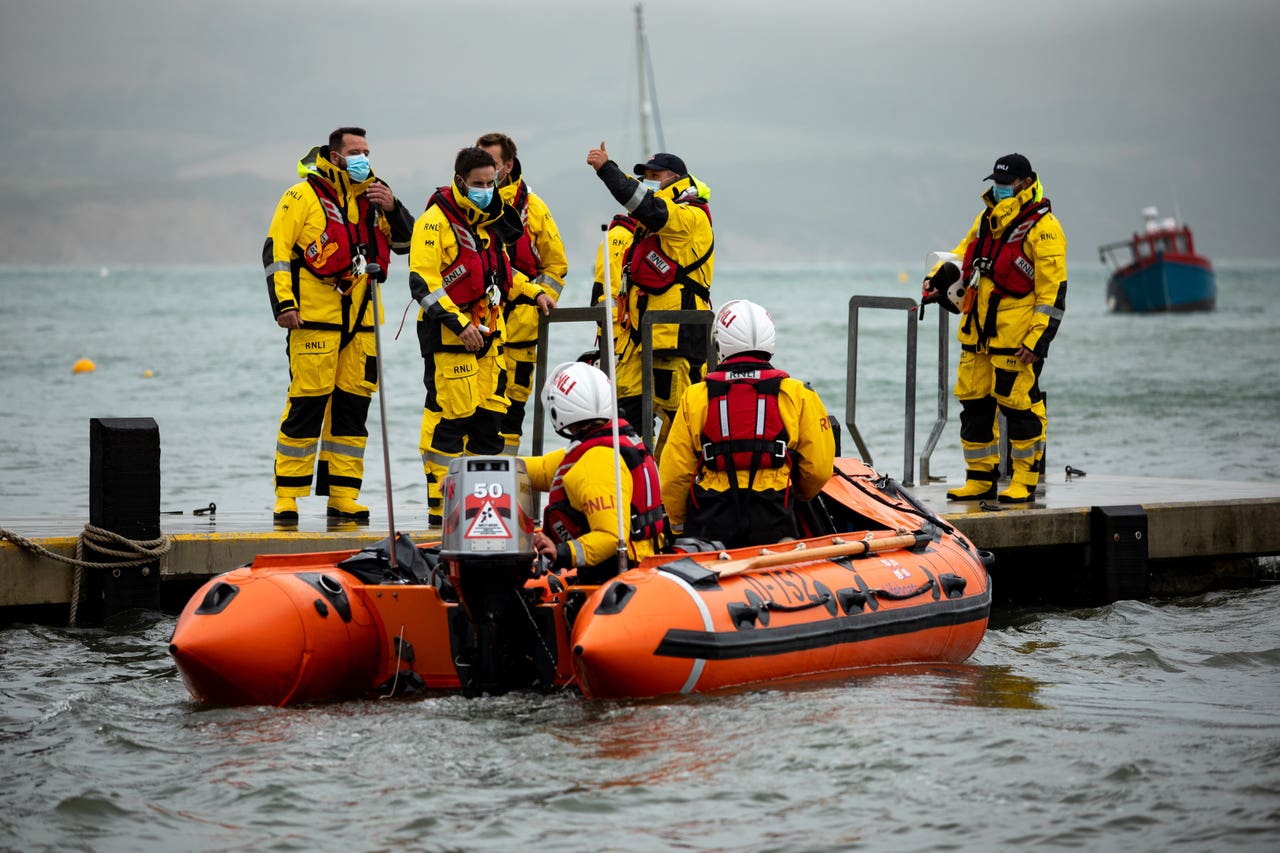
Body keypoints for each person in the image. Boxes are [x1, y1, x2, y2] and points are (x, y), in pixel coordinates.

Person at [264, 126, 415, 522]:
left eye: (367, 151)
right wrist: (283, 303)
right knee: (306, 405)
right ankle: (288, 496)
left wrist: (395, 207)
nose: (364, 158)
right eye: (356, 151)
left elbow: (405, 245)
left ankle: (343, 496)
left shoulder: (375, 196)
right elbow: (276, 251)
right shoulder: (301, 196)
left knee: (353, 409)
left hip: (364, 321)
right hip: (315, 318)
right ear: (335, 157)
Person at [409, 147, 554, 526]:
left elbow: (504, 277)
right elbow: (422, 282)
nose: (487, 190)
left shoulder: (489, 224)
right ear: (460, 182)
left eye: (491, 183)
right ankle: (441, 513)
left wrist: (535, 292)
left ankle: (481, 511)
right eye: (479, 184)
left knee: (491, 423)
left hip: (492, 338)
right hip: (451, 338)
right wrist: (460, 325)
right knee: (451, 422)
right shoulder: (434, 222)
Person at [924, 153, 1067, 503]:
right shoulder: (987, 219)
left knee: (1020, 409)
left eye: (1005, 183)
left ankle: (1024, 480)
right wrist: (937, 278)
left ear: (1024, 182)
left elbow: (1053, 293)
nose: (1000, 189)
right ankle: (979, 478)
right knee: (974, 408)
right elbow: (961, 256)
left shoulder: (1045, 229)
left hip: (1016, 338)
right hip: (977, 335)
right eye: (996, 183)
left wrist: (1037, 341)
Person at [659, 300, 835, 549]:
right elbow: (818, 468)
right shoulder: (799, 395)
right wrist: (797, 494)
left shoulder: (696, 396)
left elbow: (674, 475)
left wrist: (678, 524)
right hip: (775, 516)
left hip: (711, 520)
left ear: (720, 344)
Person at [586, 142, 714, 457]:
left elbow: (647, 205)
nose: (649, 180)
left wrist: (607, 169)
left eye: (655, 175)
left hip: (678, 338)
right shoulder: (652, 224)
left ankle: (670, 493)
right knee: (625, 415)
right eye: (646, 175)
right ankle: (637, 482)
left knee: (680, 425)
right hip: (642, 338)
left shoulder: (688, 217)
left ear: (676, 178)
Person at [523, 362, 668, 585]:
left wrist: (561, 551)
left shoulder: (596, 461)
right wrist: (483, 469)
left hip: (619, 575)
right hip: (642, 562)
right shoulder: (605, 444)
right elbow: (543, 469)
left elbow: (611, 537)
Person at [475, 133, 568, 455]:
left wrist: (534, 301)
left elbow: (556, 266)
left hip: (522, 329)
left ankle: (507, 481)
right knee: (470, 405)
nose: (486, 172)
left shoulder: (534, 208)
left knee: (513, 407)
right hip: (478, 323)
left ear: (508, 165)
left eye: (493, 164)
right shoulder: (463, 208)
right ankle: (468, 480)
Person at [590, 212, 644, 426]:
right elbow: (605, 297)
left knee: (639, 413)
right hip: (621, 342)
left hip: (630, 341)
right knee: (629, 412)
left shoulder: (641, 235)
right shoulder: (619, 236)